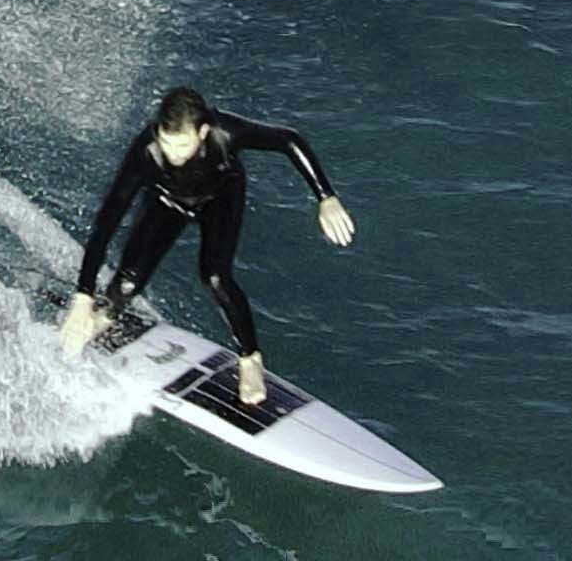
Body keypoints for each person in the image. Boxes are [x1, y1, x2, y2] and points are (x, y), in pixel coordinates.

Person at [57, 84, 353, 404]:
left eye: (181, 145)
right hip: (167, 199)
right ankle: (106, 313)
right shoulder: (147, 153)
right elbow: (107, 222)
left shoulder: (225, 133)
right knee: (128, 282)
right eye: (166, 143)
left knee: (215, 277)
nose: (173, 154)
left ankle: (250, 359)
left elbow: (288, 139)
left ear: (203, 131)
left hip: (220, 195)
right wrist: (83, 295)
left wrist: (326, 197)